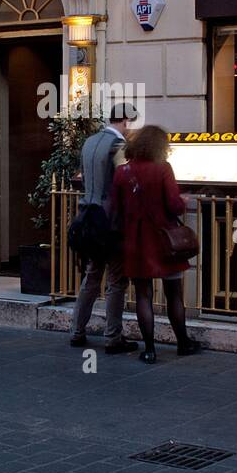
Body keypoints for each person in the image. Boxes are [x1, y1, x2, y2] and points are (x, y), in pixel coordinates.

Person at [110, 124, 201, 363]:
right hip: (163, 241)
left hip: (136, 242)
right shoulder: (163, 168)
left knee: (143, 295)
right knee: (174, 295)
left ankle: (149, 350)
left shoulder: (122, 171)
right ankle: (183, 342)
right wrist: (182, 200)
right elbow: (173, 205)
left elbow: (116, 210)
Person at [69, 104, 138, 353]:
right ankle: (113, 337)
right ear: (126, 122)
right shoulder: (118, 147)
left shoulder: (89, 142)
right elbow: (124, 181)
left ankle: (76, 330)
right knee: (116, 279)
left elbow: (86, 181)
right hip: (111, 222)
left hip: (88, 216)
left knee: (92, 275)